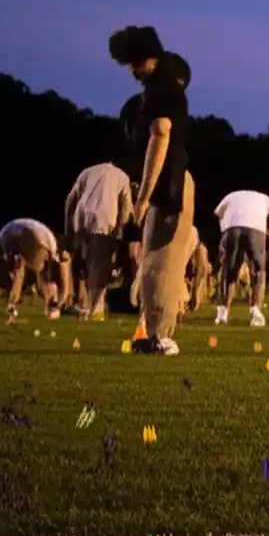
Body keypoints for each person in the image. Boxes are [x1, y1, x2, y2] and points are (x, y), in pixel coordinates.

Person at [109, 25, 195, 355]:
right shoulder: (162, 86)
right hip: (167, 183)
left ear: (148, 58)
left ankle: (162, 336)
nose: (132, 71)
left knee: (161, 264)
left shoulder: (162, 91)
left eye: (134, 63)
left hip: (165, 187)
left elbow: (160, 135)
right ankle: (151, 332)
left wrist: (143, 196)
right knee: (151, 264)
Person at [63, 162, 132, 320]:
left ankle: (80, 303)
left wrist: (69, 230)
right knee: (98, 267)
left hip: (81, 218)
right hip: (104, 220)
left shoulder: (87, 172)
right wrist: (120, 233)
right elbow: (126, 208)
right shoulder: (122, 177)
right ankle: (94, 309)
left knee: (82, 264)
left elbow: (70, 200)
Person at [213, 189, 269, 326]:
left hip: (231, 228)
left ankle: (222, 312)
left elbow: (219, 215)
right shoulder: (264, 198)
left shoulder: (230, 196)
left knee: (229, 270)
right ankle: (256, 311)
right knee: (258, 270)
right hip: (255, 228)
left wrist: (225, 232)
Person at [0, 218, 64, 321]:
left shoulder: (3, 244)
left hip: (35, 237)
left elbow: (18, 274)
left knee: (28, 273)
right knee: (40, 275)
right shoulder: (4, 243)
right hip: (38, 236)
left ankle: (14, 305)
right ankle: (51, 306)